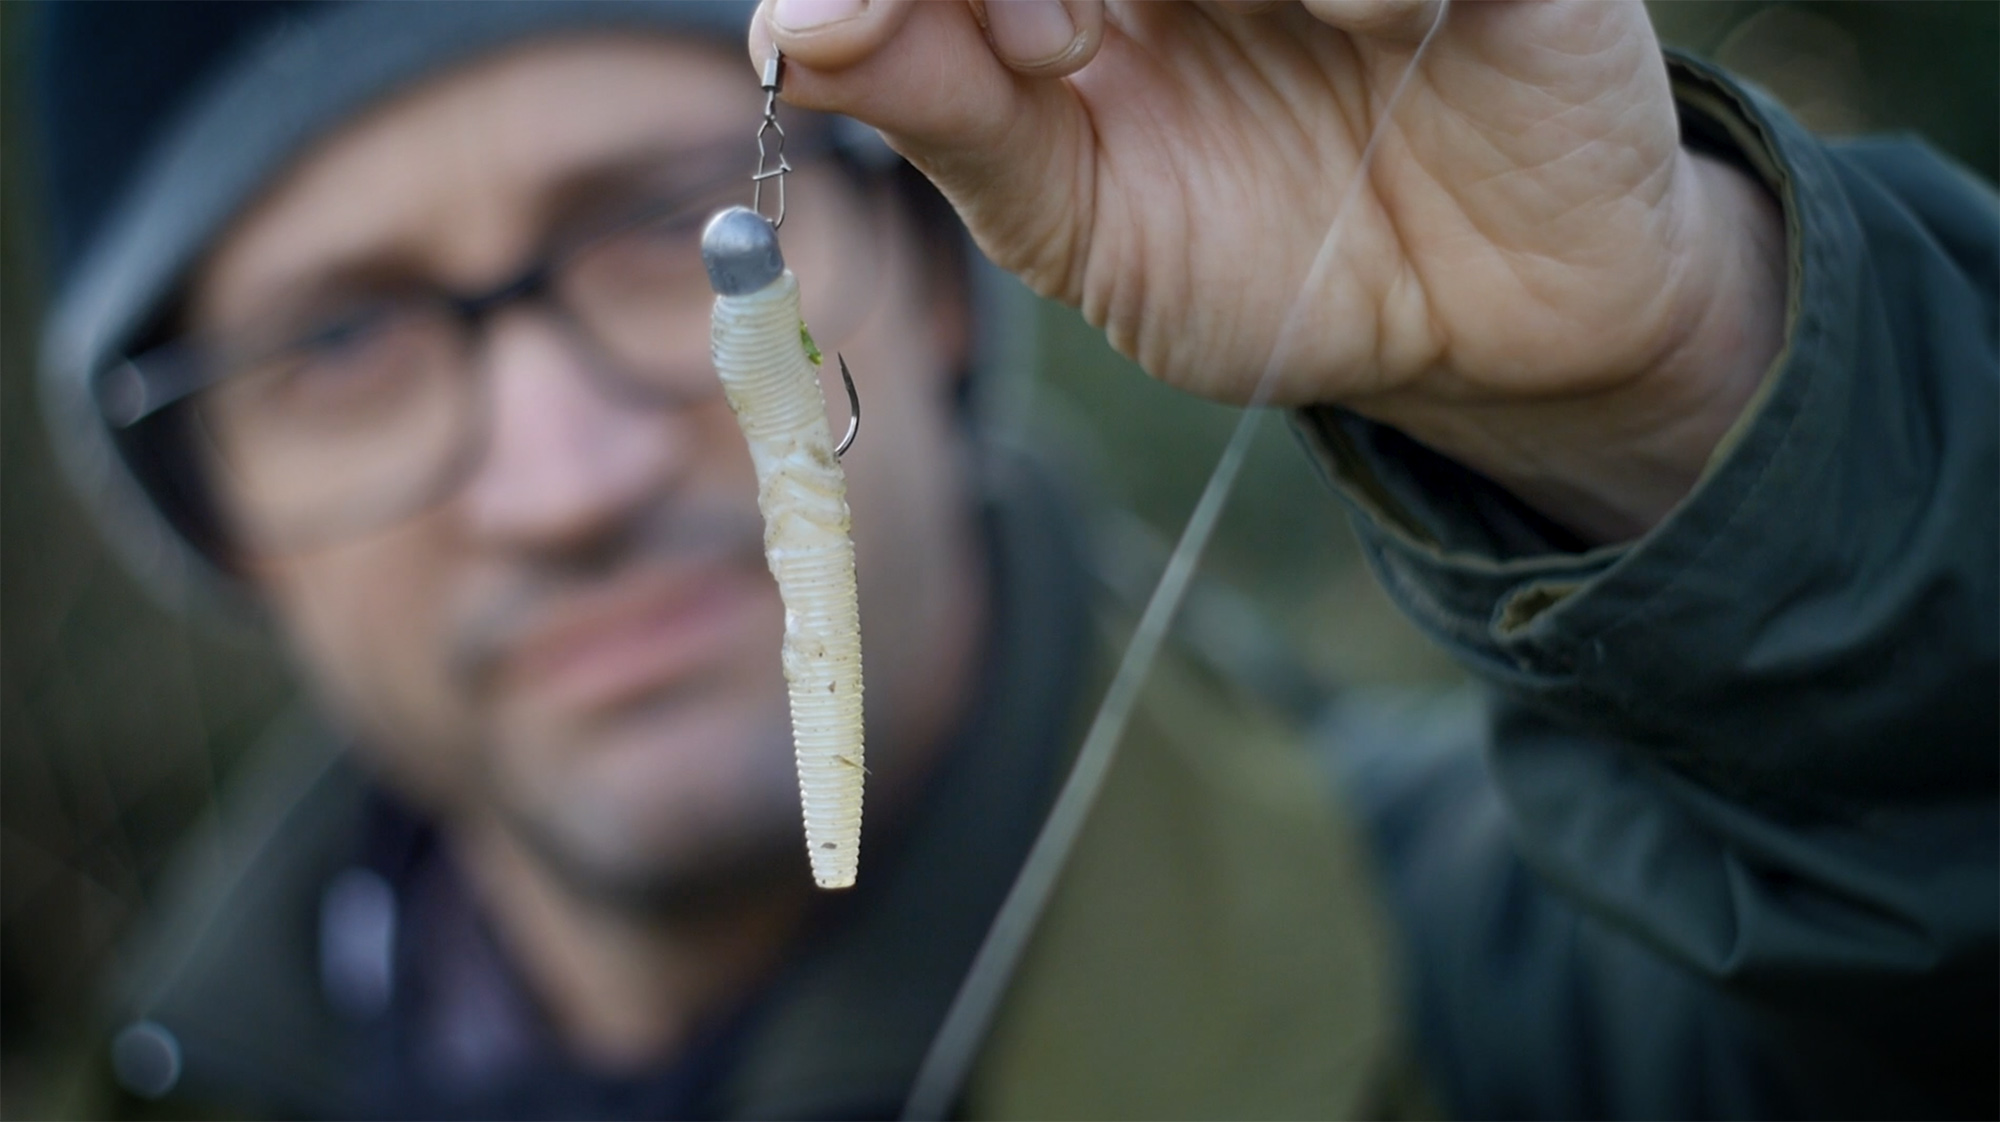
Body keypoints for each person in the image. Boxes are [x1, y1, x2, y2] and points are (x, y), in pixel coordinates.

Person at [31, 1, 1994, 1119]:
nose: (560, 479)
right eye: (342, 343)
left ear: (952, 293)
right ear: (214, 515)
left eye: (654, 221)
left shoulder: (1531, 989)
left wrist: (1687, 376)